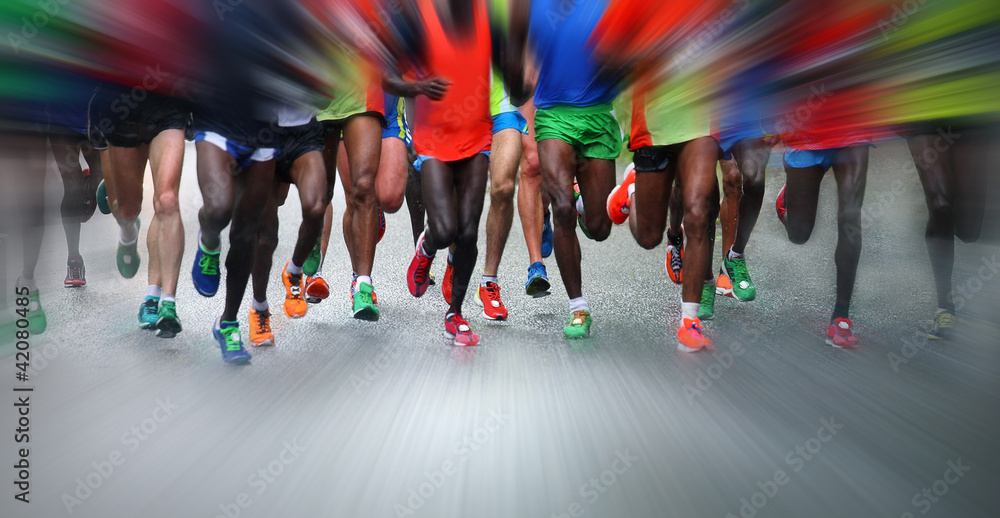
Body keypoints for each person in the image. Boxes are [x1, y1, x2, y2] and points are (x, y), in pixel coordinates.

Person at [511, 0, 622, 338]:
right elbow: (522, 55)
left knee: (601, 227)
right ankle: (578, 307)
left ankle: (581, 200)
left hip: (599, 115)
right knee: (560, 211)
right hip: (554, 116)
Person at [404, 0, 493, 346]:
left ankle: (455, 313)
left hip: (477, 134)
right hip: (434, 137)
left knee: (468, 231)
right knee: (444, 228)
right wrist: (413, 136)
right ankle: (427, 248)